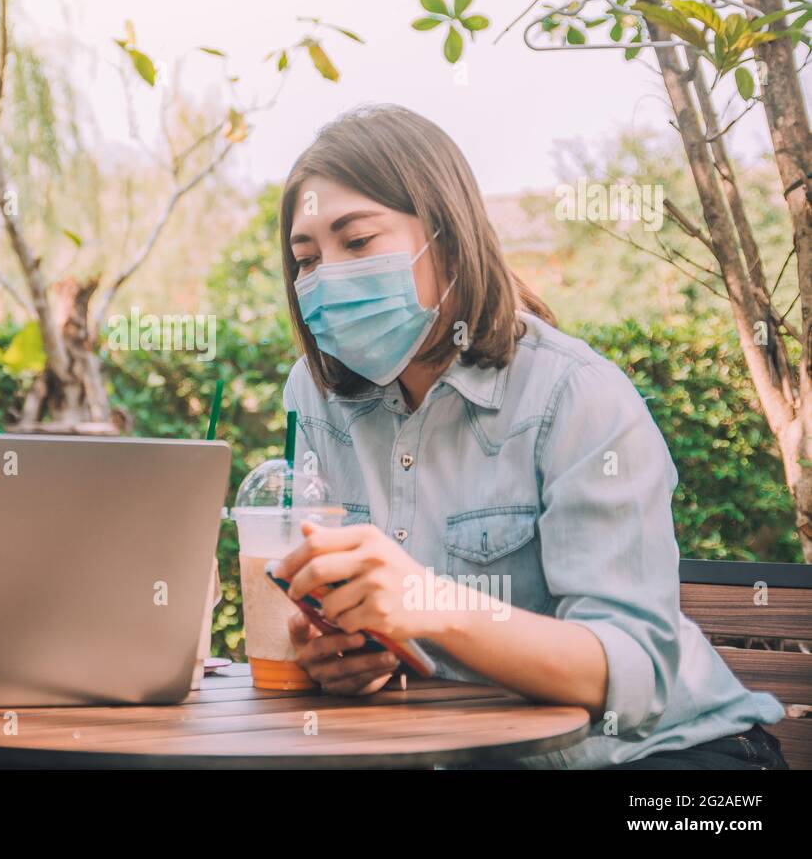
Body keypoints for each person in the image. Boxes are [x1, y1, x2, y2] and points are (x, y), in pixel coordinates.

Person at [270, 104, 788, 769]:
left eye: (359, 242)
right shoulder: (312, 399)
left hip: (662, 755)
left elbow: (633, 678)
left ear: (447, 239)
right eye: (306, 259)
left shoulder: (576, 396)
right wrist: (347, 657)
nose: (327, 279)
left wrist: (429, 605)